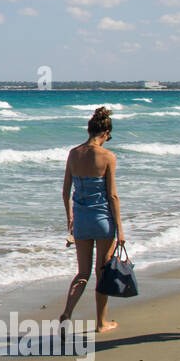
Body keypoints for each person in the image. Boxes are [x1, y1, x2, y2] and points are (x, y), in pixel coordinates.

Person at [60, 107, 125, 333]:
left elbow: (65, 191)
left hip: (81, 221)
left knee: (83, 273)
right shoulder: (107, 156)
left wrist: (70, 217)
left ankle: (67, 312)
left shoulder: (73, 153)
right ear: (105, 133)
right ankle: (101, 322)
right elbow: (113, 195)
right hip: (103, 220)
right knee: (102, 272)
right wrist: (121, 230)